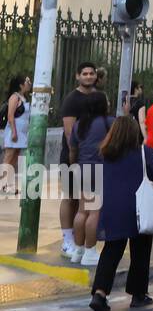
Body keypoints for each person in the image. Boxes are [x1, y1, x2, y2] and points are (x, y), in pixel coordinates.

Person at [88, 115, 153, 311]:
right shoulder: (143, 152)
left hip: (111, 207)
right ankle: (138, 294)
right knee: (140, 250)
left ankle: (100, 293)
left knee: (111, 250)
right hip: (138, 208)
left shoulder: (104, 153)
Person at [58, 62, 100, 258]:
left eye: (92, 73)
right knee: (70, 197)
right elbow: (69, 133)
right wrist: (74, 159)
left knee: (85, 203)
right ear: (77, 76)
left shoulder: (98, 96)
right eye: (85, 73)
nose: (89, 77)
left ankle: (78, 240)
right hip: (72, 158)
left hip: (90, 161)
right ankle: (67, 241)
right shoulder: (71, 100)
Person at [69, 91, 112, 266]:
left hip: (81, 168)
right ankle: (90, 251)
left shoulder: (79, 124)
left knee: (82, 211)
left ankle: (77, 250)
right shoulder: (108, 122)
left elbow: (72, 149)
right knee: (95, 212)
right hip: (99, 169)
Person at [3, 75, 31, 193]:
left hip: (22, 133)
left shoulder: (24, 98)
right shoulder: (15, 97)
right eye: (27, 82)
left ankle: (8, 185)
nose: (29, 84)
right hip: (14, 132)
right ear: (21, 85)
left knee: (13, 161)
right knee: (8, 159)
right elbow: (10, 116)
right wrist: (14, 132)